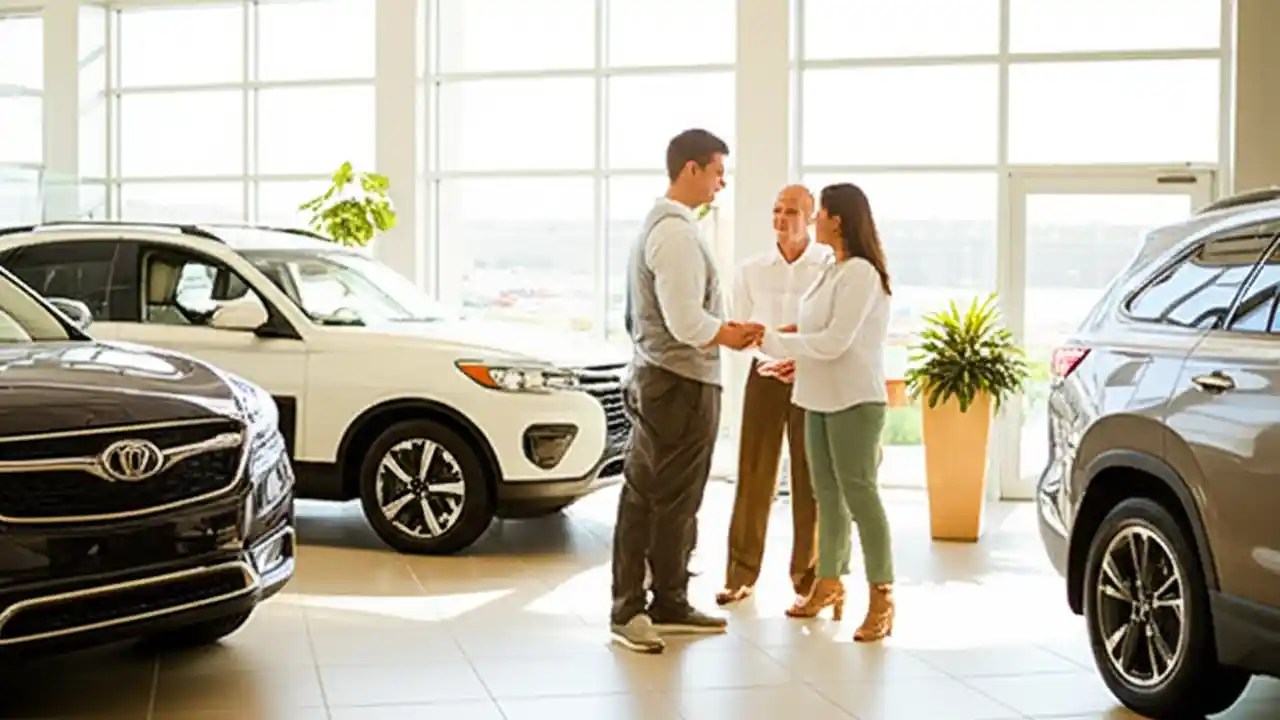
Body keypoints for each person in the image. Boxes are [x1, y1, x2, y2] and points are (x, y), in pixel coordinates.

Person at [611, 128, 763, 654]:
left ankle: (669, 601)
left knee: (677, 498)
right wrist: (730, 334)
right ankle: (630, 609)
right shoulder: (674, 233)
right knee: (651, 497)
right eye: (718, 171)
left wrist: (719, 332)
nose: (722, 183)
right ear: (691, 169)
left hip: (675, 379)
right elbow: (683, 320)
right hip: (676, 384)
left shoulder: (669, 228)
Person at [756, 182, 896, 643]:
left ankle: (882, 597)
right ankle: (830, 583)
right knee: (826, 498)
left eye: (820, 214)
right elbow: (815, 331)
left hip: (854, 401)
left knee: (861, 497)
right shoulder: (830, 271)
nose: (813, 220)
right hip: (815, 396)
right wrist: (788, 352)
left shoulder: (860, 273)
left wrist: (773, 340)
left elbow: (837, 341)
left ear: (837, 219)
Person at [717, 184, 832, 607]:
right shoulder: (751, 269)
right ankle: (739, 576)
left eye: (792, 212)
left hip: (812, 377)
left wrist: (801, 357)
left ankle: (809, 580)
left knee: (810, 479)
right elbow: (742, 327)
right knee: (753, 473)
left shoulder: (828, 266)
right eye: (776, 211)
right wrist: (768, 352)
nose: (782, 220)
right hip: (765, 375)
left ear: (811, 216)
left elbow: (828, 328)